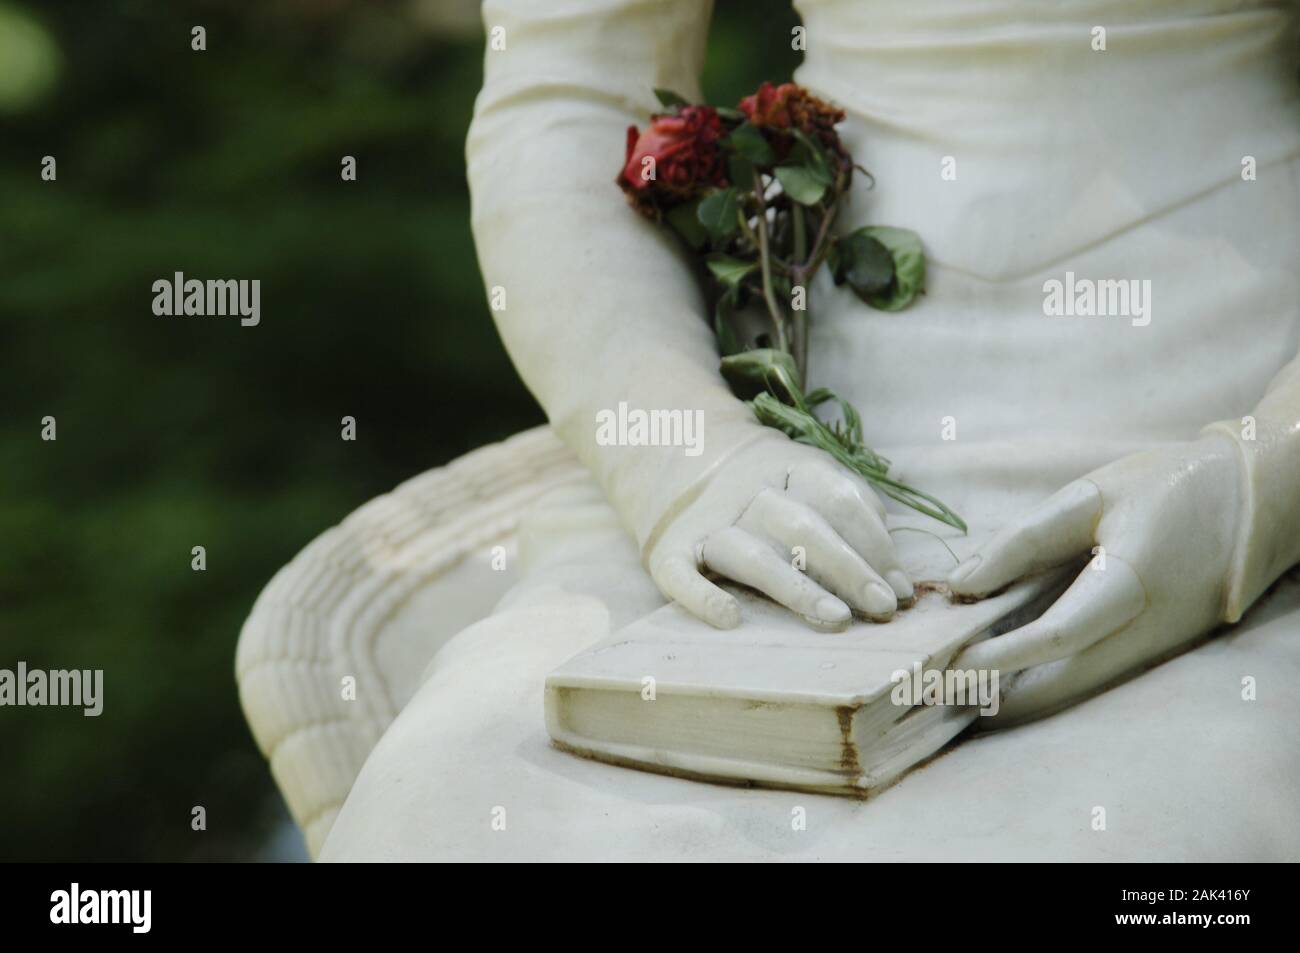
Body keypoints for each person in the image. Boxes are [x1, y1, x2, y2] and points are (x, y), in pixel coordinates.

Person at [319, 0, 1300, 860]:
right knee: (458, 810)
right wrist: (685, 455)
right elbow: (565, 98)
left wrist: (1255, 491)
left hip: (1214, 416)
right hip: (781, 448)